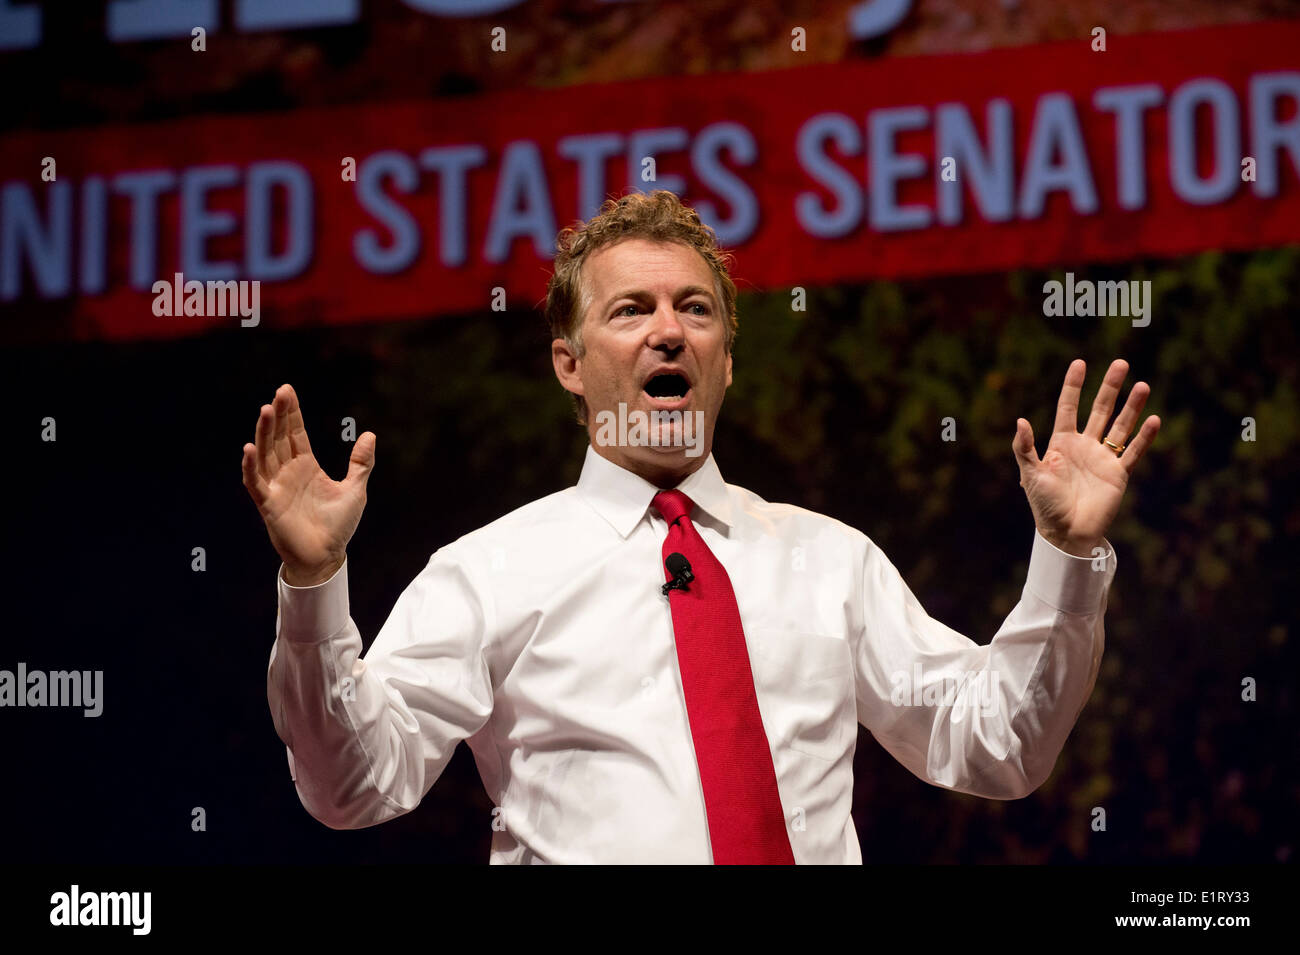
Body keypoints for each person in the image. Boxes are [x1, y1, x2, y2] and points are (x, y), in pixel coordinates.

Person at [240, 190, 1160, 864]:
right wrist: (314, 588)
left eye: (696, 309)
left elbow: (998, 743)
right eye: (630, 310)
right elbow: (354, 787)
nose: (668, 333)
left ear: (724, 361)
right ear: (569, 362)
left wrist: (1067, 556)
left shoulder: (830, 561)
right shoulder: (487, 572)